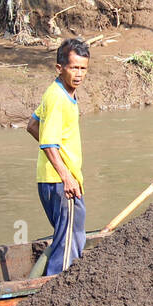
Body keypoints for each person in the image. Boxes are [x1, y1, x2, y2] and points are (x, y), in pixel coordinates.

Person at [26, 38, 89, 274]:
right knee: (69, 243)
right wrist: (67, 176)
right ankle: (59, 291)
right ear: (59, 68)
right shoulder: (58, 99)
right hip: (62, 183)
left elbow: (33, 126)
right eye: (74, 68)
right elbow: (49, 143)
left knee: (67, 235)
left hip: (51, 180)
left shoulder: (61, 93)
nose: (79, 74)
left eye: (83, 68)